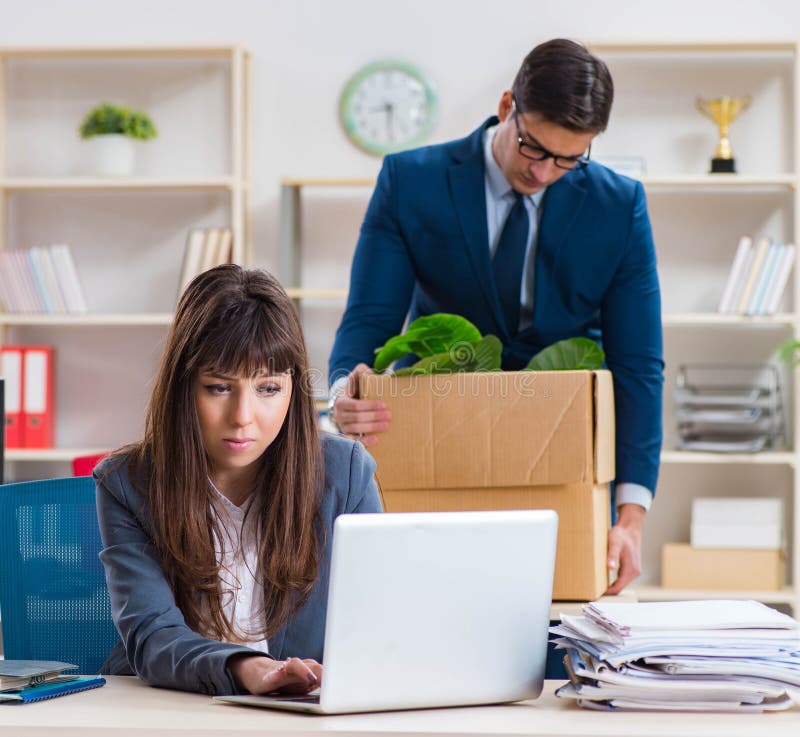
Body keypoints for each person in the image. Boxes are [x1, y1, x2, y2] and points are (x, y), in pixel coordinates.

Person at [328, 38, 663, 595]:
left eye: (569, 159)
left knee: (561, 617)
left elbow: (639, 365)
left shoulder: (618, 205)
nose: (546, 172)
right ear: (507, 107)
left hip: (561, 435)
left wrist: (631, 516)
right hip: (441, 423)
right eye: (535, 149)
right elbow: (369, 316)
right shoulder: (411, 181)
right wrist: (345, 388)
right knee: (432, 598)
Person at [95, 264, 382, 696]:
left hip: (303, 716)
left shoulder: (346, 473)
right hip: (171, 709)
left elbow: (382, 620)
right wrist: (249, 669)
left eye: (268, 388)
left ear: (294, 388)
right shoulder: (128, 483)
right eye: (218, 388)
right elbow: (152, 636)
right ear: (183, 387)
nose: (243, 417)